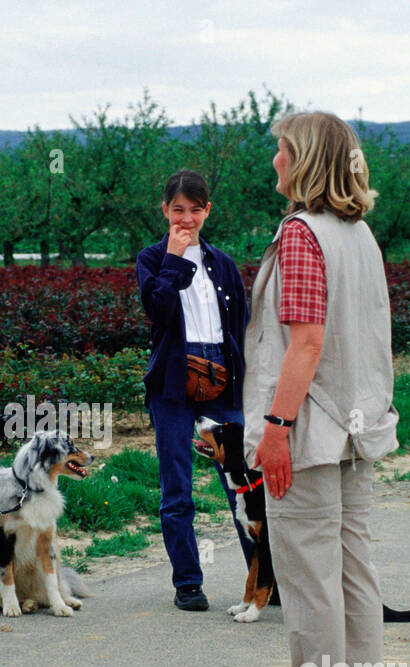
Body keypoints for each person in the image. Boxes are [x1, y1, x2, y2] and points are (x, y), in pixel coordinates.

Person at [245, 112, 398, 667]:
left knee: (309, 583)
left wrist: (276, 427)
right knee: (354, 579)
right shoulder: (359, 234)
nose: (274, 161)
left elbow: (306, 342)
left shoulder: (302, 234)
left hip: (311, 433)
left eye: (282, 150)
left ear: (304, 159)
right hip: (359, 431)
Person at [136, 170, 253, 611]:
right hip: (173, 384)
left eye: (195, 210)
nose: (187, 218)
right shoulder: (151, 258)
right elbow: (159, 310)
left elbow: (240, 324)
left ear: (208, 211)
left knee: (242, 482)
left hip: (224, 381)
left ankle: (263, 579)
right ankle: (188, 582)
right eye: (178, 209)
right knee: (177, 486)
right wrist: (177, 258)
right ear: (165, 210)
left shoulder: (223, 263)